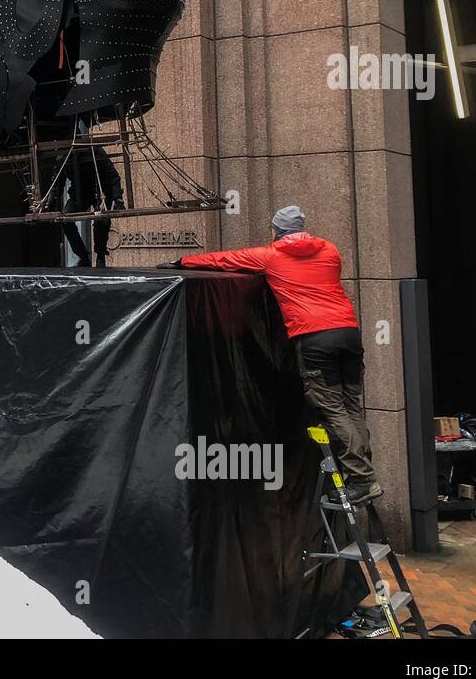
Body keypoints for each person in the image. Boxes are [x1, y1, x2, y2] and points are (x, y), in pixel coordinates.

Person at [158, 206, 382, 504]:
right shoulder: (329, 250)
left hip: (314, 337)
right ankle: (364, 467)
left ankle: (362, 477)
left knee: (331, 407)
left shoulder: (271, 256)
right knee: (350, 403)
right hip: (348, 333)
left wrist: (181, 261)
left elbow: (225, 260)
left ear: (277, 231)